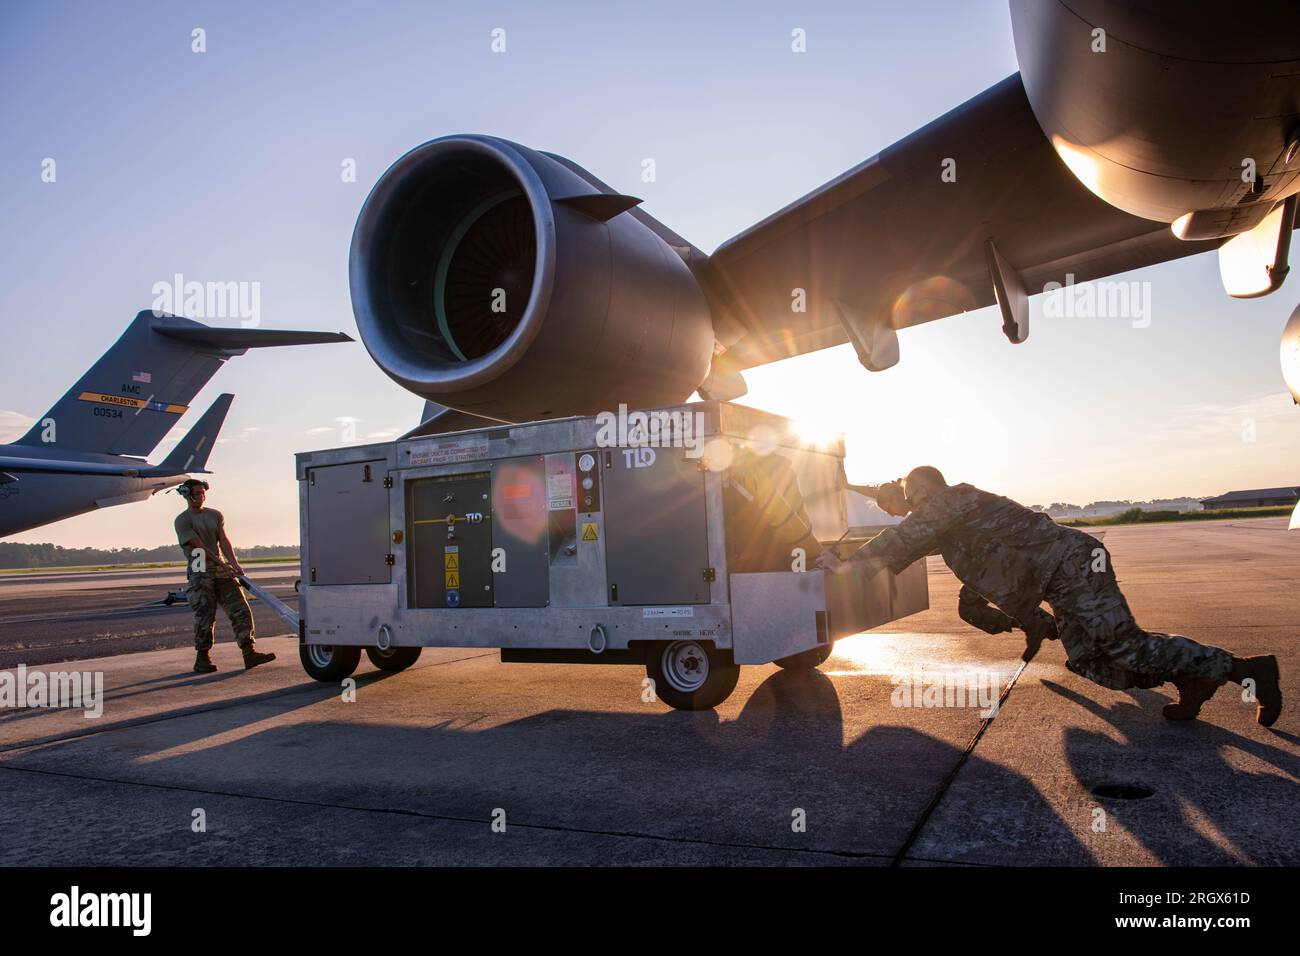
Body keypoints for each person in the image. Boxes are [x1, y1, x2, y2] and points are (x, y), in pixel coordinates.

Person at [819, 466, 1282, 726]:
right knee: (1087, 661)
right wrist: (1012, 619)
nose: (914, 500)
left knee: (1125, 645)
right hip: (1055, 580)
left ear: (930, 487)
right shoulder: (956, 530)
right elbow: (926, 554)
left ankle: (1247, 670)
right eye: (909, 495)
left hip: (1075, 562)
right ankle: (1190, 677)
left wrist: (845, 566)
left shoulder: (955, 498)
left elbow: (903, 538)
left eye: (916, 492)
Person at [174, 479, 276, 673]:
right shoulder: (183, 520)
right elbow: (199, 547)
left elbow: (224, 541)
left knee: (240, 609)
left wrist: (235, 564)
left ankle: (249, 652)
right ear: (186, 495)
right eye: (196, 493)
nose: (200, 497)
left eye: (202, 493)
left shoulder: (215, 515)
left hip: (221, 572)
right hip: (200, 572)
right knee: (205, 614)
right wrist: (223, 564)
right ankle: (202, 658)